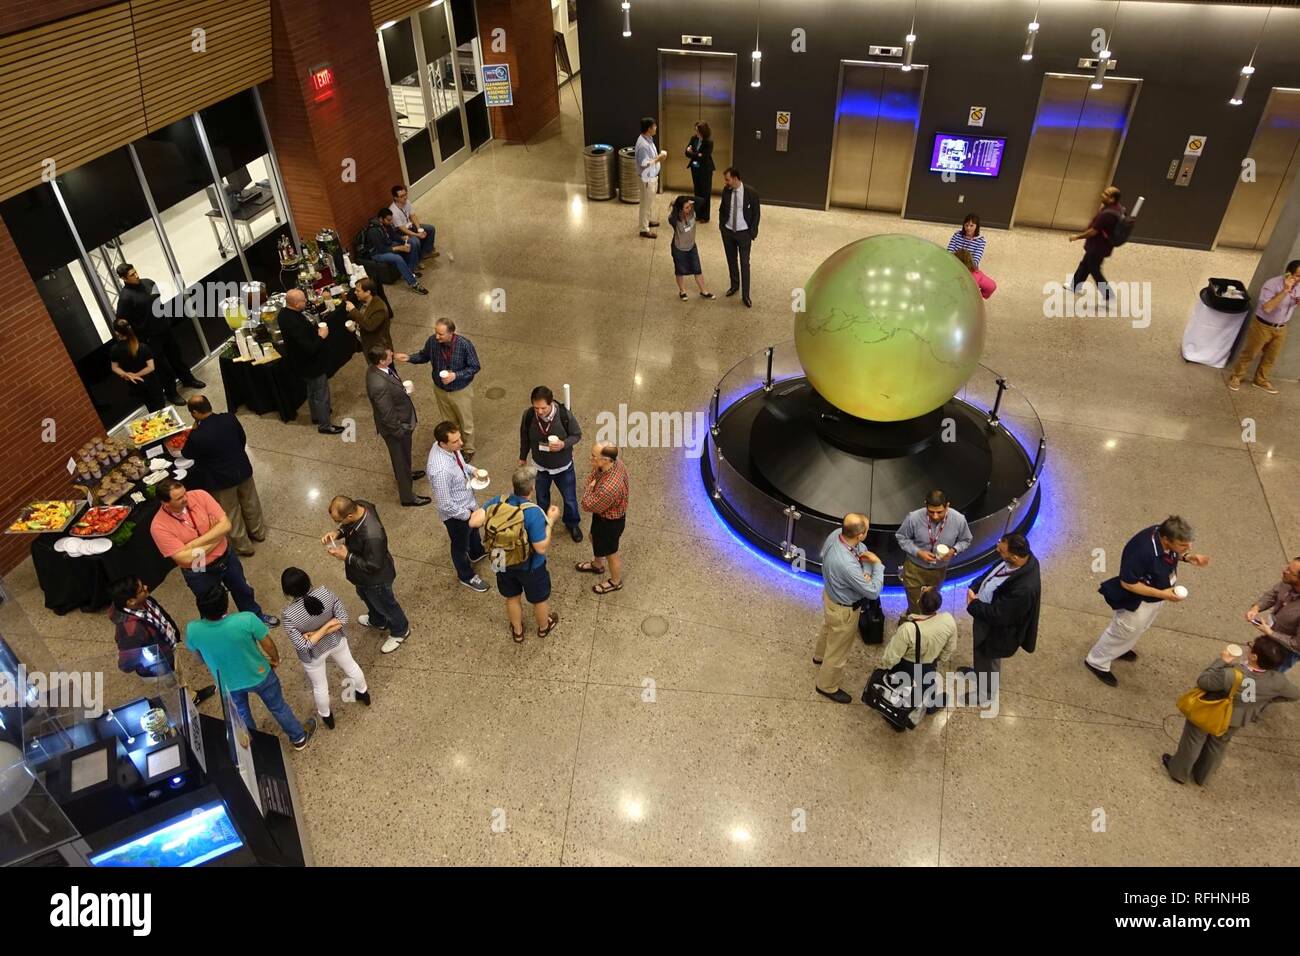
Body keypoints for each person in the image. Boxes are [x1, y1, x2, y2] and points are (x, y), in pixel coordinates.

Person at [1085, 515, 1211, 686]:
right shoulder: (1143, 551)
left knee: (1138, 629)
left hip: (1157, 595)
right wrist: (1164, 595)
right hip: (1137, 601)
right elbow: (1128, 583)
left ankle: (1119, 649)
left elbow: (1171, 553)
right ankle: (1097, 661)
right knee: (1122, 631)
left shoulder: (1164, 536)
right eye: (1182, 545)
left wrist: (1187, 557)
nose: (1187, 547)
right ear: (1166, 539)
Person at [185, 585, 316, 749]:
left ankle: (253, 747)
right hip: (259, 673)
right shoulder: (246, 619)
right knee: (277, 706)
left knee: (241, 712)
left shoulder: (192, 630)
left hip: (227, 682)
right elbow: (267, 643)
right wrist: (275, 659)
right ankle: (298, 738)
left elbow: (198, 657)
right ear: (225, 603)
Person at [1162, 638, 1300, 786]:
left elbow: (1204, 681)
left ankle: (1179, 772)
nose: (1250, 647)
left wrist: (1221, 661)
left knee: (1193, 740)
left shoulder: (1231, 674)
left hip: (1212, 711)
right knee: (1218, 745)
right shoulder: (1279, 681)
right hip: (1237, 718)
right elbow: (1295, 694)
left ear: (1254, 657)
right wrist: (1264, 702)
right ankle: (1202, 776)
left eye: (1252, 646)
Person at [149, 478, 279, 628]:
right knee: (209, 603)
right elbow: (184, 559)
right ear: (166, 504)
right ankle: (217, 633)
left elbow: (225, 525)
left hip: (225, 556)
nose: (186, 498)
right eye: (179, 498)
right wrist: (215, 536)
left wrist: (192, 545)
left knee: (243, 589)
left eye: (185, 493)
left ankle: (255, 617)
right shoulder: (159, 527)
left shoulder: (200, 495)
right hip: (198, 568)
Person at [469, 466, 562, 643]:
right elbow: (541, 548)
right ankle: (544, 627)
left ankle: (517, 631)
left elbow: (474, 522)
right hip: (530, 565)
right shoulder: (533, 512)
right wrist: (550, 522)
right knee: (538, 599)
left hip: (500, 560)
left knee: (512, 597)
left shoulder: (497, 501)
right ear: (532, 488)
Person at [280, 567, 370, 731]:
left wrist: (315, 633)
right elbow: (342, 619)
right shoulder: (325, 593)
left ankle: (327, 716)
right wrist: (328, 624)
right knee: (351, 666)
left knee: (320, 687)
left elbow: (303, 644)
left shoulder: (289, 615)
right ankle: (363, 693)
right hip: (336, 641)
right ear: (308, 580)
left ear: (287, 592)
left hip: (314, 655)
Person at [323, 495, 411, 653]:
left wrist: (347, 556)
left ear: (349, 516)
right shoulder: (361, 505)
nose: (337, 524)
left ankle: (400, 631)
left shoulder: (372, 535)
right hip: (362, 576)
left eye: (338, 521)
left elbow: (373, 564)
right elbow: (349, 526)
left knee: (385, 604)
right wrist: (339, 532)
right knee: (367, 597)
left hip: (376, 579)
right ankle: (378, 620)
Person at [960, 533, 1040, 705]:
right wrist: (975, 585)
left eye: (1002, 551)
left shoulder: (1024, 589)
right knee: (981, 656)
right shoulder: (1014, 561)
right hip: (984, 613)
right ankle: (979, 673)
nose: (997, 550)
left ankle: (985, 694)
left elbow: (1000, 615)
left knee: (989, 657)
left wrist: (972, 605)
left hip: (996, 631)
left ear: (1015, 556)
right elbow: (991, 573)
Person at [108, 576, 216, 705]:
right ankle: (184, 707)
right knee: (173, 688)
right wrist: (153, 661)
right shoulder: (130, 630)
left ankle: (191, 697)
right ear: (130, 601)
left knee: (178, 678)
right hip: (160, 666)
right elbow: (126, 664)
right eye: (141, 590)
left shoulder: (146, 601)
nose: (146, 588)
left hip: (169, 652)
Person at [812, 513, 885, 703]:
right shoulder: (846, 563)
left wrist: (865, 571)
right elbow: (873, 591)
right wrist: (877, 566)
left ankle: (819, 657)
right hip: (845, 610)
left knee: (828, 628)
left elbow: (862, 551)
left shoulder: (837, 534)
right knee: (838, 652)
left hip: (830, 597)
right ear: (860, 534)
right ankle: (826, 685)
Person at [184, 395, 265, 557]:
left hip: (221, 480)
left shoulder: (197, 436)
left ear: (194, 413)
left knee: (232, 513)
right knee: (251, 502)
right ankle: (258, 532)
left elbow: (187, 453)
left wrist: (193, 430)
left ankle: (244, 547)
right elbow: (242, 439)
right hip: (242, 469)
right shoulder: (229, 418)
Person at [114, 263, 204, 396]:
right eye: (132, 275)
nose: (137, 276)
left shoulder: (148, 283)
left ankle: (188, 379)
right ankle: (171, 393)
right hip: (149, 337)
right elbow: (121, 322)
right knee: (163, 368)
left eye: (136, 272)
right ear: (124, 279)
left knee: (176, 357)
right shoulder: (125, 298)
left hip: (165, 328)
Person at [397, 318, 480, 460]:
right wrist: (409, 358)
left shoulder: (464, 345)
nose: (437, 336)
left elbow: (475, 367)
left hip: (460, 391)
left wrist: (456, 375)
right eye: (436, 332)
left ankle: (468, 449)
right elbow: (424, 356)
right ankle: (454, 445)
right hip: (440, 389)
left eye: (440, 334)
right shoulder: (432, 342)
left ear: (451, 333)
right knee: (449, 422)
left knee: (466, 424)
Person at [426, 420, 490, 593]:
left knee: (473, 533)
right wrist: (467, 516)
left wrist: (472, 470)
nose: (461, 443)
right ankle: (466, 576)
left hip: (467, 502)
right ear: (443, 443)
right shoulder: (440, 470)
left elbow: (461, 464)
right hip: (457, 515)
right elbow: (445, 504)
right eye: (455, 442)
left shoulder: (449, 449)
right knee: (459, 546)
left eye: (459, 438)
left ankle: (476, 552)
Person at [364, 346, 429, 507]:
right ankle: (407, 497)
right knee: (400, 460)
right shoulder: (378, 384)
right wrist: (401, 431)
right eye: (388, 355)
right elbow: (387, 414)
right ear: (380, 360)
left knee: (404, 457)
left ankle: (408, 473)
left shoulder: (376, 370)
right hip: (396, 429)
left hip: (400, 422)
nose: (392, 355)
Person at [517, 385, 583, 542]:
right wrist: (522, 456)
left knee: (569, 498)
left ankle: (572, 523)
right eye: (536, 408)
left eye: (543, 408)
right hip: (540, 466)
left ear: (551, 402)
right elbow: (524, 437)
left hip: (563, 466)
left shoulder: (564, 415)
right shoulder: (528, 416)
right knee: (542, 497)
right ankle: (545, 522)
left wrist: (563, 444)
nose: (539, 412)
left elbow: (577, 435)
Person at [1226, 259, 1300, 394]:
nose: (1299, 280)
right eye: (1298, 276)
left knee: (1271, 357)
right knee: (1250, 353)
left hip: (1282, 327)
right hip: (1263, 326)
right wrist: (1285, 291)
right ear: (1288, 274)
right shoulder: (1271, 285)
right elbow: (1267, 308)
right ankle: (1236, 377)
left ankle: (1260, 380)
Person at [277, 288, 344, 434]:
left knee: (312, 391)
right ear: (295, 304)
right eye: (303, 300)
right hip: (311, 364)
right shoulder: (295, 323)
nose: (306, 302)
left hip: (299, 363)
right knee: (321, 394)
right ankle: (325, 425)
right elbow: (310, 348)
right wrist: (322, 336)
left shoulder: (283, 314)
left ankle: (316, 416)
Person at [894, 490, 973, 615]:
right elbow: (901, 537)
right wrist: (918, 552)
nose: (935, 516)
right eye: (931, 512)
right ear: (925, 504)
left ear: (947, 505)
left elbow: (966, 540)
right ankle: (913, 622)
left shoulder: (958, 520)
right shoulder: (913, 518)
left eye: (939, 512)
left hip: (939, 570)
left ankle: (926, 623)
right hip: (914, 569)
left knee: (930, 603)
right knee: (914, 602)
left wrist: (954, 550)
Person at [881, 587, 958, 713]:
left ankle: (897, 713)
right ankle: (931, 706)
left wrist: (887, 666)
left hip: (906, 664)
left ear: (919, 603)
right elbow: (950, 647)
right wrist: (941, 658)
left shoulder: (908, 629)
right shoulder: (948, 620)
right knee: (928, 685)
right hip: (929, 663)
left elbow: (893, 654)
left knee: (900, 690)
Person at [577, 442, 629, 594]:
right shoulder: (616, 463)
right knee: (593, 537)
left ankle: (615, 581)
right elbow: (594, 474)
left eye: (594, 456)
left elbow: (587, 505)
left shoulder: (608, 488)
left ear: (606, 460)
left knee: (611, 553)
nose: (590, 458)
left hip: (610, 522)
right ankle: (597, 565)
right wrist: (592, 484)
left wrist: (590, 488)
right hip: (603, 516)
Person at [1068, 185, 1125, 301]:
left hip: (1098, 247)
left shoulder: (1107, 214)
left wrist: (1077, 237)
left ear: (1112, 199)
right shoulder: (1117, 208)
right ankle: (1075, 286)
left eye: (1106, 194)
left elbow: (1093, 231)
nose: (1102, 195)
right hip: (1101, 246)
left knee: (1094, 269)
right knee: (1085, 264)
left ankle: (1108, 294)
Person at [1244, 557, 1300, 672]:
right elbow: (1273, 594)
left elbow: (1297, 644)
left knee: (1270, 674)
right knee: (1255, 664)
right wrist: (1256, 608)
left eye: (1290, 571)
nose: (1285, 571)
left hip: (1286, 651)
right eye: (1287, 567)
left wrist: (1270, 633)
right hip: (1272, 634)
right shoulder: (1287, 582)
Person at [719, 167, 760, 308]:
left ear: (735, 179)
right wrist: (722, 227)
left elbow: (756, 214)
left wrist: (752, 232)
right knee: (731, 261)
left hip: (744, 234)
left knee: (744, 264)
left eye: (727, 179)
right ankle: (734, 286)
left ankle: (746, 295)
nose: (726, 182)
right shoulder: (726, 191)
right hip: (728, 232)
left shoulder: (751, 193)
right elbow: (722, 209)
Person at [362, 208, 429, 294]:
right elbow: (381, 249)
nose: (391, 222)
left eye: (391, 219)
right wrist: (399, 248)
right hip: (377, 253)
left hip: (388, 245)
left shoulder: (386, 224)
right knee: (397, 258)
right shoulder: (373, 231)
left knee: (411, 243)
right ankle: (414, 284)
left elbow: (393, 236)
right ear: (381, 219)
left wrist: (402, 239)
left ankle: (410, 270)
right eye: (389, 220)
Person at [109, 319, 167, 411]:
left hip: (136, 385)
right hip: (151, 383)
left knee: (150, 407)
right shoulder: (142, 347)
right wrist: (135, 375)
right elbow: (151, 367)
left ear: (117, 332)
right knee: (160, 408)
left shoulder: (114, 350)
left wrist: (127, 375)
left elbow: (114, 367)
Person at [667, 195, 714, 301]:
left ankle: (704, 291)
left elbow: (702, 200)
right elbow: (673, 215)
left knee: (698, 270)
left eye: (689, 206)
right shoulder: (674, 219)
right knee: (679, 271)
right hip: (679, 248)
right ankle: (682, 291)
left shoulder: (693, 212)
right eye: (686, 207)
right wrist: (675, 203)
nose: (689, 209)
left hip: (692, 247)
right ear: (680, 209)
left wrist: (684, 198)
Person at [635, 117, 668, 238]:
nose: (656, 128)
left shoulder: (648, 139)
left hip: (652, 177)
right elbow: (644, 163)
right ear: (649, 128)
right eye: (654, 126)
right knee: (645, 204)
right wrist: (659, 158)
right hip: (647, 179)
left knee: (648, 203)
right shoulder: (643, 144)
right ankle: (644, 229)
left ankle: (647, 221)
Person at [345, 277, 393, 355]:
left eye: (358, 291)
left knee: (385, 367)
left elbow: (369, 326)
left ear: (368, 292)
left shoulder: (379, 308)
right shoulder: (364, 302)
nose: (355, 293)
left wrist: (353, 310)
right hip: (369, 346)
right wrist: (356, 325)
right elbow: (363, 318)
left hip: (380, 351)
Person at [389, 183, 437, 258]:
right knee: (415, 241)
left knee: (430, 229)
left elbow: (413, 215)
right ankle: (418, 259)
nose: (405, 197)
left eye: (405, 194)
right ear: (395, 198)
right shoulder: (393, 211)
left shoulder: (407, 202)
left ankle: (426, 252)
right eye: (402, 196)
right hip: (401, 231)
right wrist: (417, 235)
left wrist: (419, 229)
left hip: (410, 225)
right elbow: (402, 228)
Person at [684, 121, 715, 223]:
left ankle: (705, 216)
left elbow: (704, 157)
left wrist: (692, 152)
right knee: (697, 191)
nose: (696, 132)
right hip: (695, 168)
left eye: (698, 130)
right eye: (695, 130)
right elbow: (686, 153)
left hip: (705, 169)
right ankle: (698, 214)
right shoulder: (694, 139)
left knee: (705, 192)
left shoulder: (709, 142)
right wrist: (696, 154)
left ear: (703, 131)